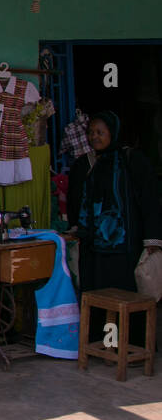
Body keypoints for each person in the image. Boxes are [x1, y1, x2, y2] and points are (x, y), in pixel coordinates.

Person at [67, 111, 162, 343]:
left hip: (125, 249)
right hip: (94, 250)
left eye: (100, 132)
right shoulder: (84, 164)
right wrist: (75, 229)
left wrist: (152, 240)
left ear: (113, 133)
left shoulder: (132, 161)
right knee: (98, 295)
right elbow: (74, 201)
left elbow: (150, 200)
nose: (94, 137)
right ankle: (104, 342)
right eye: (90, 133)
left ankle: (130, 343)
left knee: (128, 295)